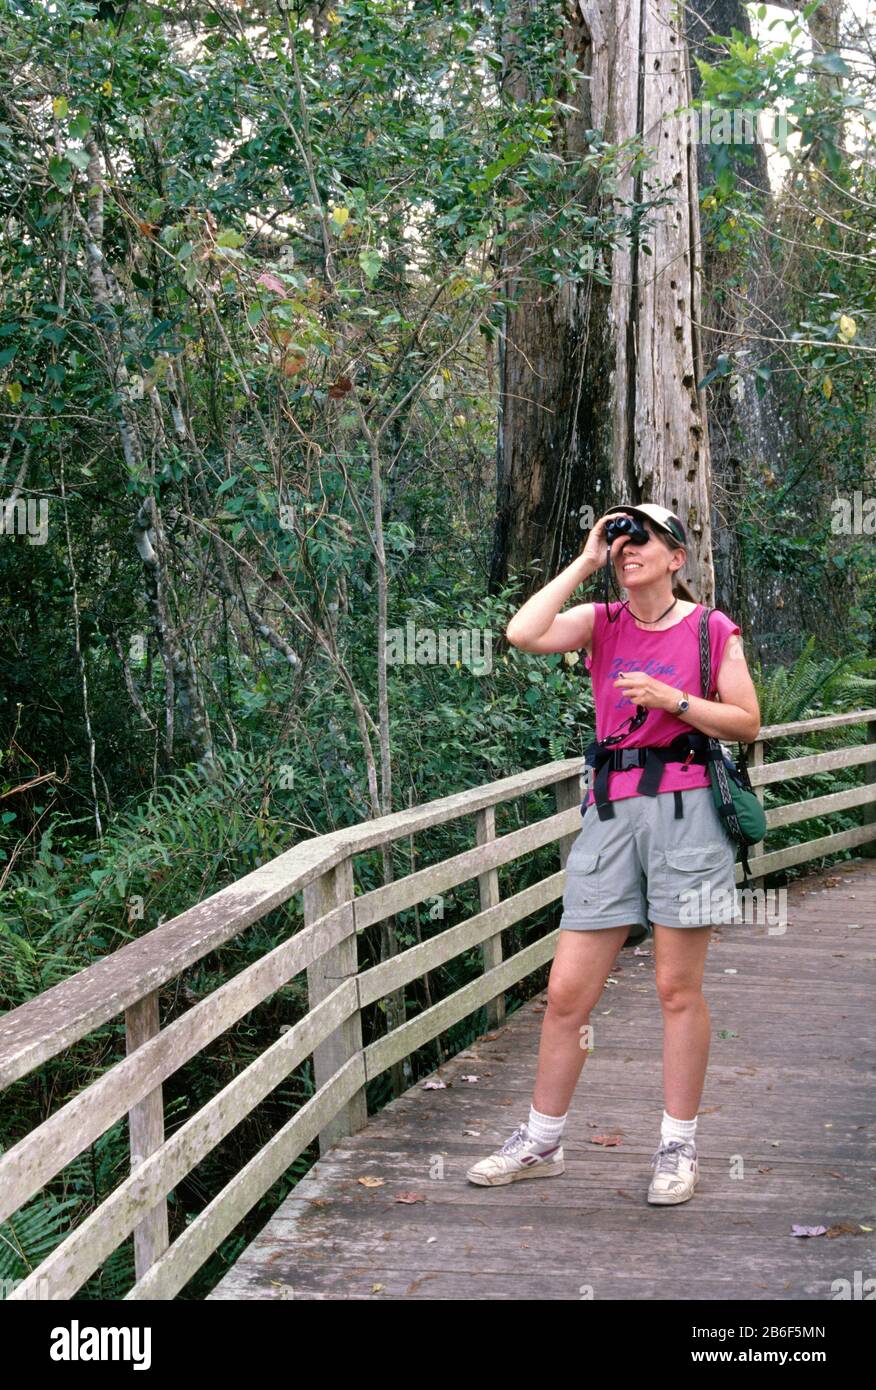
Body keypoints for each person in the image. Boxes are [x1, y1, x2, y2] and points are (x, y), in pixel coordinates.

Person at [466, 503, 761, 1203]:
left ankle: (677, 1149)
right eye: (619, 537)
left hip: (687, 812)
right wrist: (587, 559)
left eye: (642, 539)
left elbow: (748, 721)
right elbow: (522, 632)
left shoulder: (710, 630)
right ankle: (541, 1140)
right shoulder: (603, 625)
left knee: (675, 989)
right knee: (567, 993)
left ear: (676, 557)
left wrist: (674, 699)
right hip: (609, 814)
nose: (628, 548)